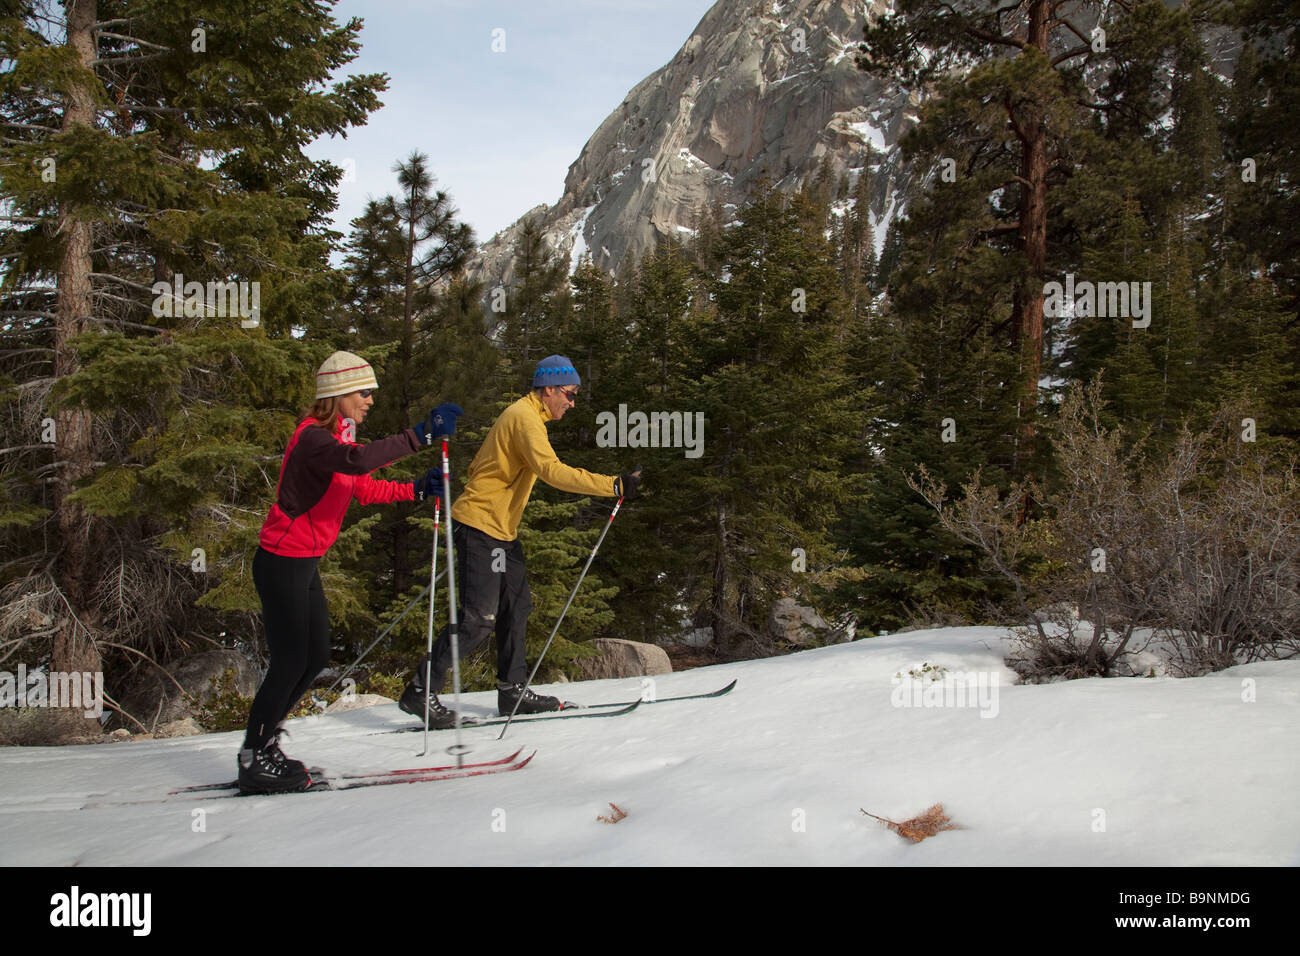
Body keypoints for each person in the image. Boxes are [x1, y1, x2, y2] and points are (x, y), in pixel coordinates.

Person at [240, 350, 461, 794]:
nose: (370, 400)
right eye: (364, 392)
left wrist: (415, 488)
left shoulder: (339, 436)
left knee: (315, 656)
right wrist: (419, 434)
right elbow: (359, 463)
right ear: (338, 393)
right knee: (288, 662)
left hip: (304, 562)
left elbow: (361, 485)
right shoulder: (313, 440)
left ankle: (266, 743)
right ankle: (253, 755)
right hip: (281, 561)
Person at [400, 354, 642, 728]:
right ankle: (420, 689)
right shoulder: (524, 417)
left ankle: (512, 690)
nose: (571, 402)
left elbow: (483, 465)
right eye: (569, 394)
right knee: (479, 619)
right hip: (481, 528)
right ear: (548, 389)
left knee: (517, 606)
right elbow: (551, 470)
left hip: (501, 532)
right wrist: (611, 485)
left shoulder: (529, 417)